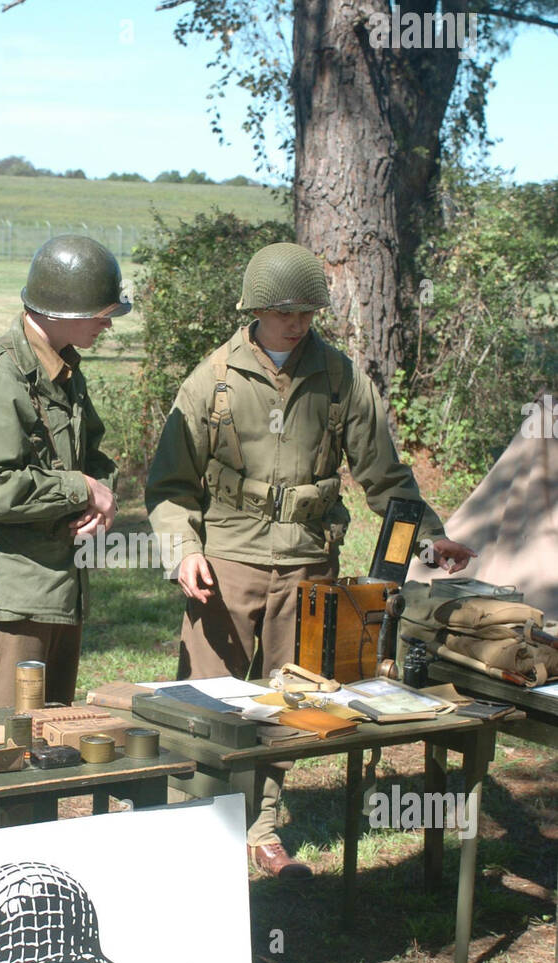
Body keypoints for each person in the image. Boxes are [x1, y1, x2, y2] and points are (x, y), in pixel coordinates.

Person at [145, 242, 475, 879]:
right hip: (226, 563)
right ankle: (198, 826)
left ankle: (263, 829)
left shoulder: (341, 378)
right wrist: (184, 551)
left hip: (307, 566)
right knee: (208, 702)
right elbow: (168, 488)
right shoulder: (211, 379)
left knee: (284, 702)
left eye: (306, 312)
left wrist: (429, 537)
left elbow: (385, 477)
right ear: (256, 310)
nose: (295, 324)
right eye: (281, 311)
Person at [0, 234, 130, 710]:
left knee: (50, 742)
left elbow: (91, 458)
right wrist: (81, 488)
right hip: (12, 598)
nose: (108, 324)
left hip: (55, 587)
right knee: (0, 746)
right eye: (101, 312)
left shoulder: (64, 371)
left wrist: (101, 491)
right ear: (63, 310)